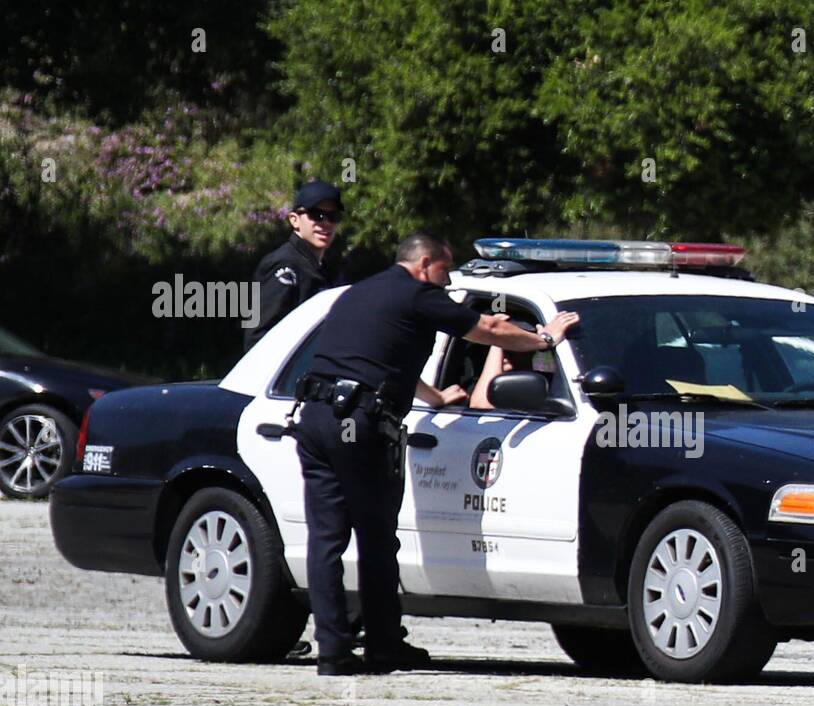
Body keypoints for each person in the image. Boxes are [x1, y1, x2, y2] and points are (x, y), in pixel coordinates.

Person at [295, 233, 579, 676]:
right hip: (358, 424)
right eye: (445, 272)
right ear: (425, 263)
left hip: (315, 416)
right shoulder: (419, 295)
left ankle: (332, 651)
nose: (447, 283)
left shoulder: (359, 292)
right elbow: (489, 329)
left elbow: (377, 361)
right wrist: (544, 338)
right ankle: (384, 645)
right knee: (374, 538)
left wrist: (434, 396)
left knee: (327, 538)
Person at [244, 180, 343, 351]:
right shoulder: (284, 264)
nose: (326, 223)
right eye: (316, 215)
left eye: (333, 217)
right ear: (294, 220)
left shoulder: (326, 267)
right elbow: (259, 338)